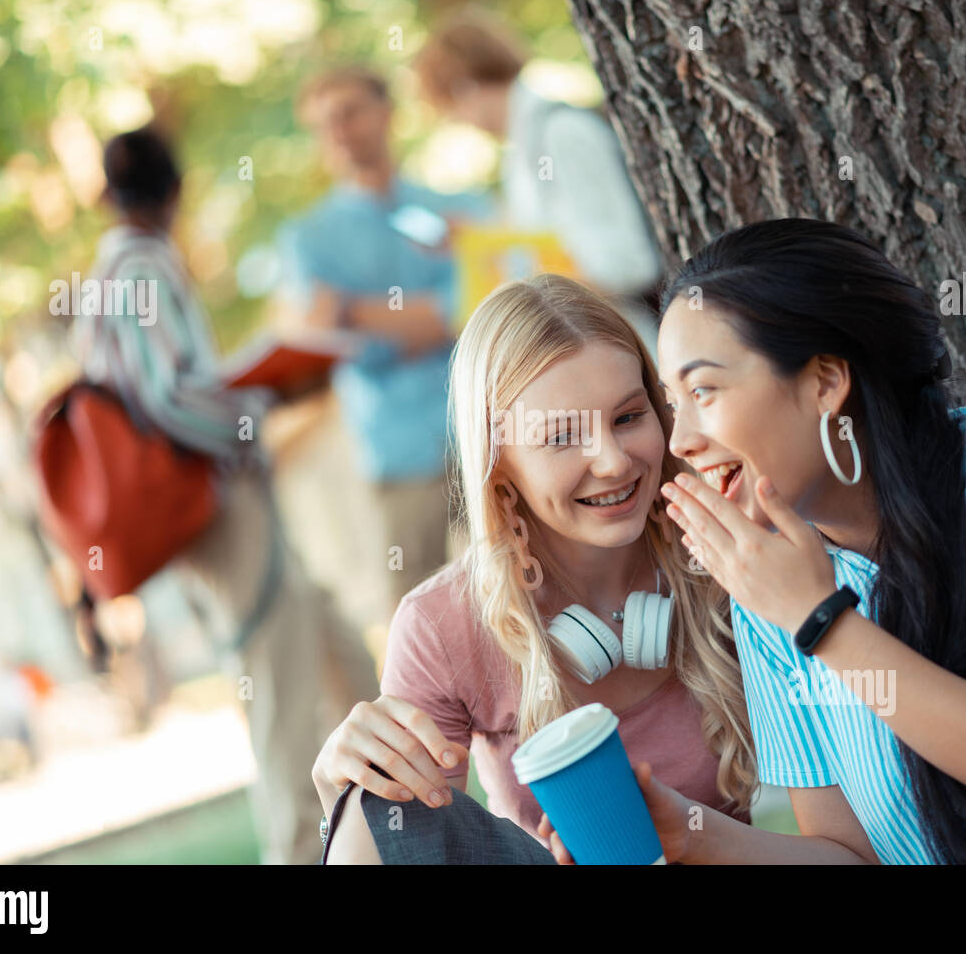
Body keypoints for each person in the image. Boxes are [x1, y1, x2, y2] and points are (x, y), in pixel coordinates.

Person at [541, 218, 966, 864]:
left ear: (826, 380)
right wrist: (693, 836)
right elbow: (850, 856)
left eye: (704, 390)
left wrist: (819, 619)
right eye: (672, 403)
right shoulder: (764, 590)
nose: (680, 440)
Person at [312, 275, 758, 863]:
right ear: (500, 469)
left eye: (628, 417)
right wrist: (341, 806)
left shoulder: (726, 548)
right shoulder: (441, 624)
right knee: (371, 812)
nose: (613, 461)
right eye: (563, 437)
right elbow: (415, 843)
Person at [72, 126, 380, 864]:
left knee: (344, 664)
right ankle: (300, 851)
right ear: (175, 190)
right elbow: (170, 399)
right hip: (216, 507)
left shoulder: (114, 270)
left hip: (222, 505)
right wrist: (260, 405)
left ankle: (393, 821)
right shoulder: (140, 267)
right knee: (278, 693)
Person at [280, 65, 491, 647]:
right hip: (397, 454)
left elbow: (475, 309)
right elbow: (328, 345)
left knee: (529, 588)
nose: (341, 132)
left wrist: (353, 307)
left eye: (350, 112)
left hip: (484, 431)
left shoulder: (454, 210)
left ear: (386, 112)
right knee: (421, 629)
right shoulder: (308, 239)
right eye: (325, 124)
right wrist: (423, 317)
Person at [413, 7, 663, 360]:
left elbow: (626, 263)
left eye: (448, 108)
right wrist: (483, 239)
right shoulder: (521, 150)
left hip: (626, 349)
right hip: (589, 349)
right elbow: (549, 238)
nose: (458, 122)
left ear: (463, 86)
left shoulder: (561, 133)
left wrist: (535, 294)